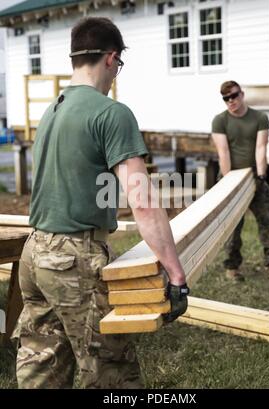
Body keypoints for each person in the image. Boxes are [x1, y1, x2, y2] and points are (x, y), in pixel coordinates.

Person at [13, 17, 189, 389]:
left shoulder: (53, 109)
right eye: (118, 65)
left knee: (40, 366)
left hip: (35, 251)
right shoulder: (111, 112)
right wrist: (176, 274)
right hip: (73, 259)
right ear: (111, 59)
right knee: (112, 370)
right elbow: (141, 200)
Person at [211, 80, 269, 282]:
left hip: (254, 176)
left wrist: (261, 176)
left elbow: (261, 148)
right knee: (233, 226)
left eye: (234, 96)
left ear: (242, 94)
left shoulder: (260, 118)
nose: (231, 101)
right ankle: (232, 267)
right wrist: (228, 183)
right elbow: (223, 152)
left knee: (266, 221)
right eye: (226, 98)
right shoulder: (220, 120)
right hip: (230, 176)